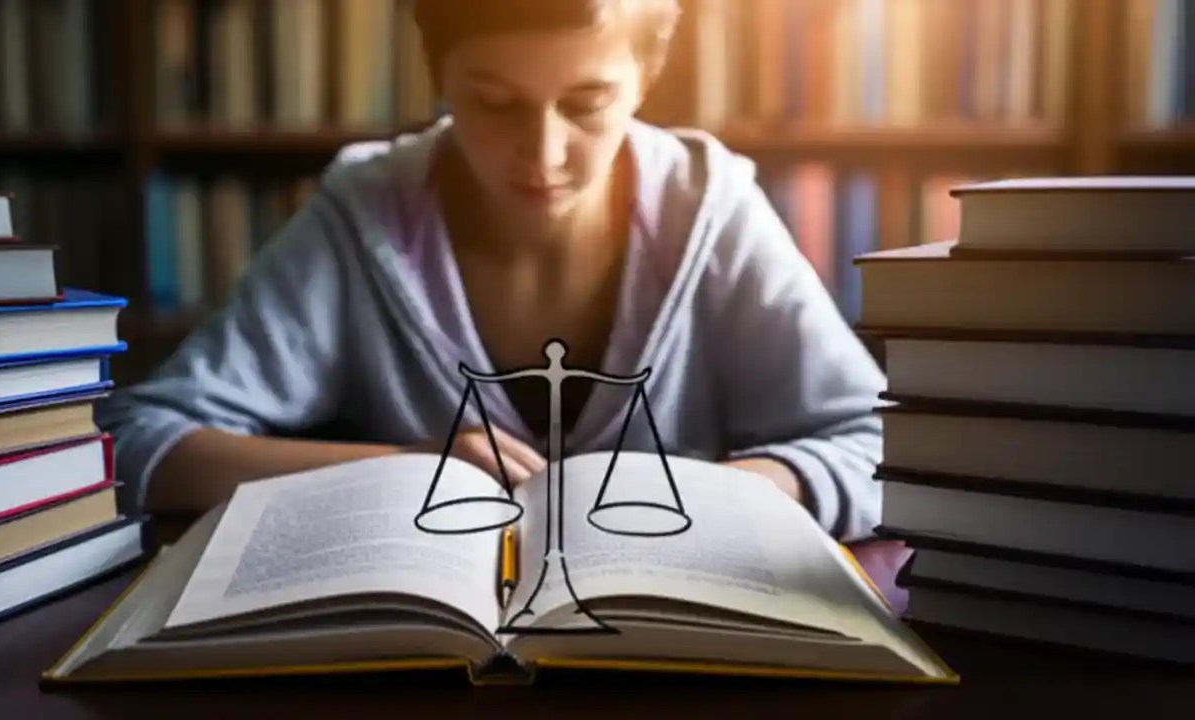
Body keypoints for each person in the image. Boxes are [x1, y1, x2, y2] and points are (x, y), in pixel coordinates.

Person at [97, 0, 887, 542]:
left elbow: (878, 441)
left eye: (587, 103)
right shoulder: (365, 211)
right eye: (495, 103)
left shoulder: (707, 207)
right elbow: (136, 443)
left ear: (647, 78)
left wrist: (718, 497)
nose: (543, 155)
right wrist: (404, 474)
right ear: (441, 80)